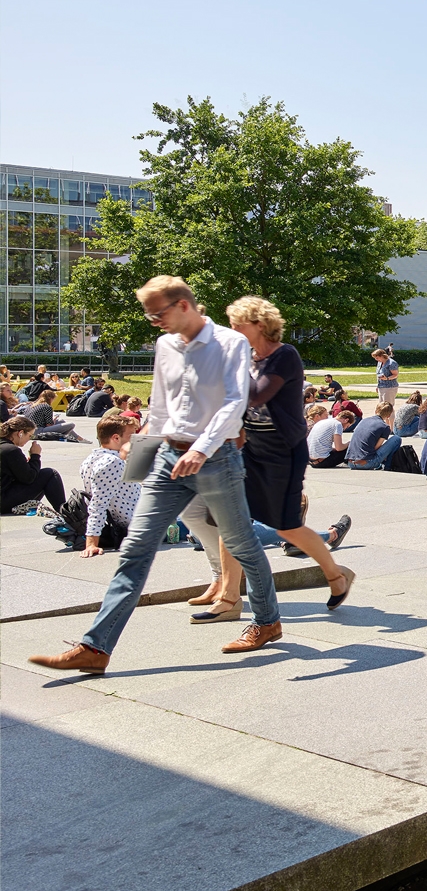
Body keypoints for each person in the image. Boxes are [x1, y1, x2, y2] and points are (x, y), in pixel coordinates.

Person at [29, 276, 282, 674]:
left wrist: (201, 449)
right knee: (135, 549)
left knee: (242, 544)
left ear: (183, 305)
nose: (154, 322)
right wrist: (144, 439)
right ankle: (96, 648)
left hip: (216, 459)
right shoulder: (166, 345)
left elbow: (235, 403)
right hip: (169, 458)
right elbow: (163, 405)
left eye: (157, 314)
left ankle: (267, 622)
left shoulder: (229, 343)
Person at [201, 296, 355, 615]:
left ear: (258, 324)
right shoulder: (249, 356)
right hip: (249, 449)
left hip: (283, 451)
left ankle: (336, 575)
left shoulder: (284, 356)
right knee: (230, 521)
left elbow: (256, 396)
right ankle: (228, 599)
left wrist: (232, 364)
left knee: (286, 527)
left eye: (236, 324)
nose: (231, 330)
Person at [70, 414, 139, 552]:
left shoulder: (92, 458)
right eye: (131, 436)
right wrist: (91, 543)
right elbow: (98, 504)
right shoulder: (111, 462)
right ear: (116, 438)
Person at [2, 416, 66, 515]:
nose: (29, 439)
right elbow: (29, 478)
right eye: (30, 436)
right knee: (49, 474)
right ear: (20, 433)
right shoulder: (11, 450)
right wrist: (35, 456)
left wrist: (26, 465)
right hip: (3, 501)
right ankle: (66, 512)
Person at [345, 401, 405, 471]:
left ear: (376, 410)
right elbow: (376, 447)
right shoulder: (385, 427)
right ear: (388, 416)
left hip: (351, 462)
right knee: (396, 439)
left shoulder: (363, 421)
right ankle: (388, 466)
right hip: (366, 463)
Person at [307, 402, 348, 468]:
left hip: (310, 460)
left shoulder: (317, 423)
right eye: (326, 415)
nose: (327, 417)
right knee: (349, 447)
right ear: (317, 416)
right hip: (321, 461)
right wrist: (348, 443)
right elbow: (339, 448)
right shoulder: (336, 424)